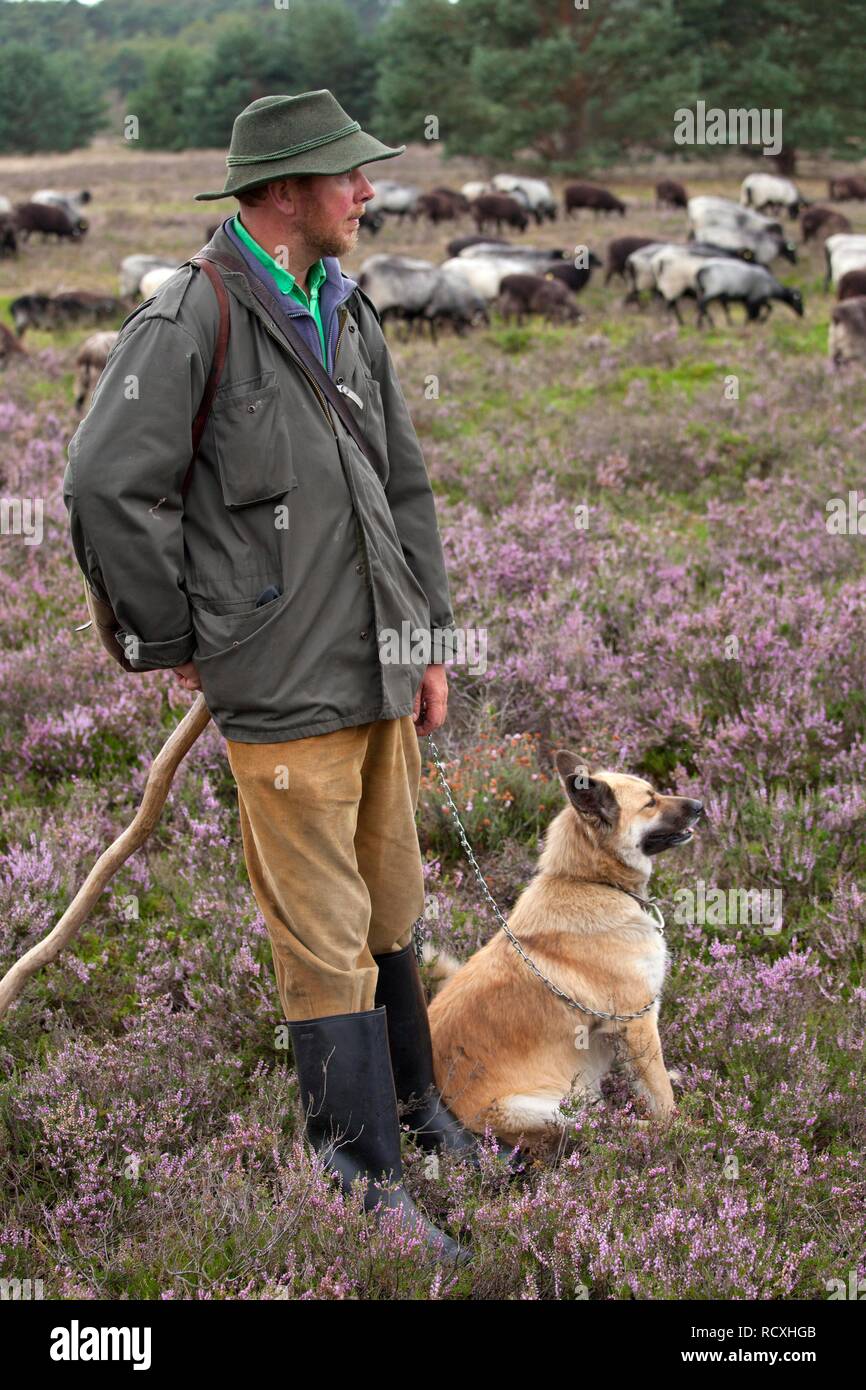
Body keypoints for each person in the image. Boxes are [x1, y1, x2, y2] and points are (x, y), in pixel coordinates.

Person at [63, 90, 513, 1267]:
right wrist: (194, 637)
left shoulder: (349, 311)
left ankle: (419, 1122)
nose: (367, 193)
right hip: (281, 692)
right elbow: (107, 485)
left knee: (391, 905)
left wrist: (423, 644)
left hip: (376, 676)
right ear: (282, 193)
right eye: (346, 177)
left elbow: (401, 489)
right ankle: (358, 1184)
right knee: (323, 937)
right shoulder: (190, 318)